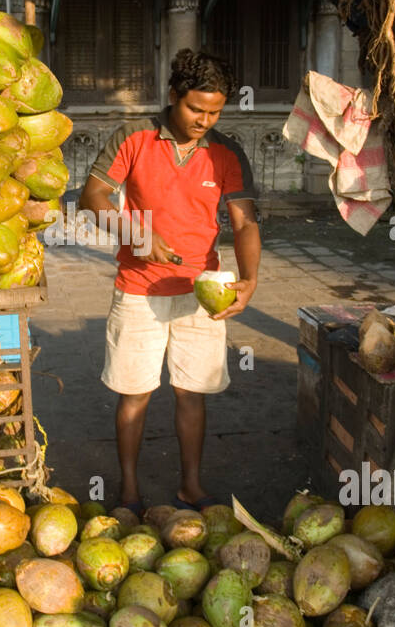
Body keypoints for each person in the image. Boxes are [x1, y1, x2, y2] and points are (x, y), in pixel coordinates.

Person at [78, 48, 261, 515]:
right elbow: (92, 197)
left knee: (192, 392)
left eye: (214, 112)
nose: (204, 121)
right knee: (134, 393)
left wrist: (249, 280)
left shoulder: (227, 151)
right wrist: (138, 233)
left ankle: (191, 488)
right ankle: (130, 491)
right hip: (139, 289)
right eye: (195, 109)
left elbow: (244, 223)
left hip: (201, 293)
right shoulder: (133, 136)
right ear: (173, 97)